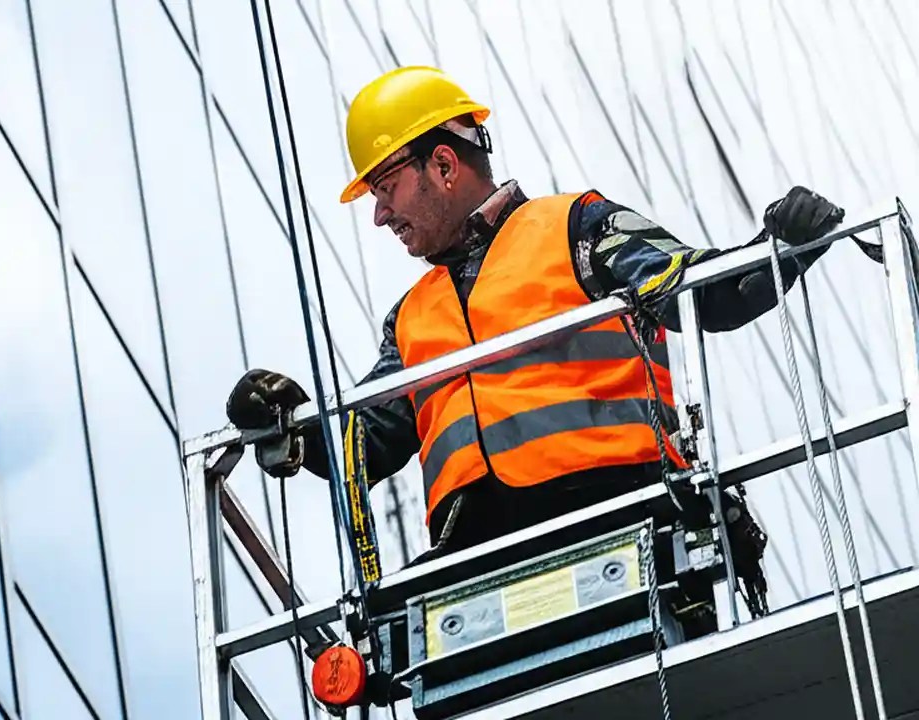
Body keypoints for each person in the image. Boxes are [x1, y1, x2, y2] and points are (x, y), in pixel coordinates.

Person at [225, 66, 843, 567]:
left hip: (620, 517)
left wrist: (779, 250)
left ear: (443, 166)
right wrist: (290, 423)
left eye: (386, 189)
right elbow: (365, 443)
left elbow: (698, 291)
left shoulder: (577, 226)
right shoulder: (409, 317)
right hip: (474, 558)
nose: (380, 215)